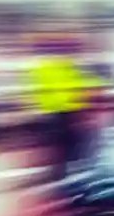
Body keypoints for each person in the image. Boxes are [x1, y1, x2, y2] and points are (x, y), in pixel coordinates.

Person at [24, 38, 102, 181]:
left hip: (51, 113)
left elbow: (33, 93)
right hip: (69, 113)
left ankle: (58, 173)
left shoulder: (42, 68)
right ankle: (77, 172)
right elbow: (90, 88)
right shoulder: (70, 67)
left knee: (58, 147)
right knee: (76, 144)